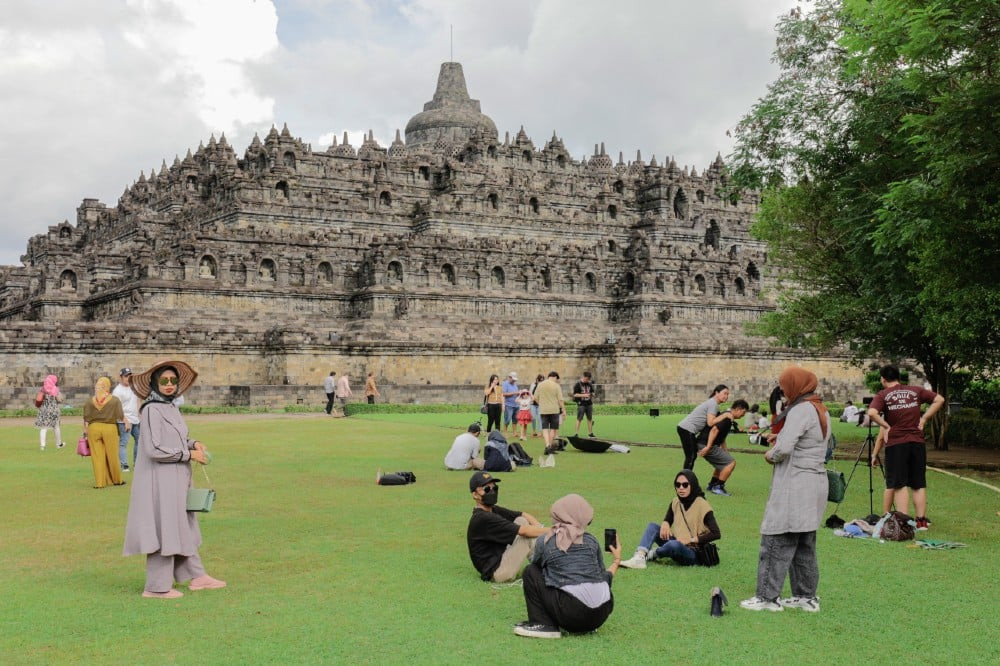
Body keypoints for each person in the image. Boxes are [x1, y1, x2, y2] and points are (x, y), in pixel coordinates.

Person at [123, 360, 226, 599]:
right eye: (164, 381)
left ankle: (198, 576)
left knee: (182, 525)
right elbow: (154, 449)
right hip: (160, 480)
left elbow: (178, 438)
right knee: (165, 527)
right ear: (154, 384)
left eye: (172, 381)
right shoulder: (150, 410)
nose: (169, 385)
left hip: (177, 478)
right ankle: (156, 587)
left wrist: (194, 443)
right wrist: (189, 454)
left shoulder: (170, 407)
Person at [740, 367, 829, 613]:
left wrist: (771, 453)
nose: (782, 390)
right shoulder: (819, 408)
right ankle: (805, 596)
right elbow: (809, 442)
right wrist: (778, 441)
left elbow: (785, 448)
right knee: (804, 543)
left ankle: (767, 597)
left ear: (795, 385)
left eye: (784, 385)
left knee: (776, 538)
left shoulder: (800, 410)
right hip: (814, 484)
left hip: (795, 484)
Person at [514, 494, 619, 639]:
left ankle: (543, 624)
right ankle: (586, 625)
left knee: (530, 572)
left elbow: (536, 566)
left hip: (571, 612)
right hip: (602, 612)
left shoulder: (546, 541)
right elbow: (602, 576)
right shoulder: (591, 541)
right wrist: (616, 560)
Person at [867, 365, 945, 530]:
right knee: (918, 483)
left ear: (883, 379)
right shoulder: (915, 390)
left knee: (899, 484)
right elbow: (940, 399)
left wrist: (886, 426)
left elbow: (872, 413)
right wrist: (924, 418)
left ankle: (904, 522)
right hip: (917, 441)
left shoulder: (883, 395)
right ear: (898, 377)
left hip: (896, 443)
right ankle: (921, 521)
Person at [619, 469, 721, 568]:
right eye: (678, 485)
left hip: (693, 552)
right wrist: (665, 523)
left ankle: (653, 554)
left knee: (673, 545)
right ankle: (639, 557)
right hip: (677, 542)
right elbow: (668, 519)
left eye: (685, 485)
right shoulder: (676, 502)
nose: (681, 488)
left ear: (693, 485)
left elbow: (716, 533)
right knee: (652, 527)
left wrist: (690, 540)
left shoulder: (702, 505)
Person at [466, 471, 546, 583]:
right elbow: (524, 532)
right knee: (527, 536)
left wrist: (539, 526)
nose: (492, 492)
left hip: (501, 560)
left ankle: (544, 564)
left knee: (521, 521)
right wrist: (554, 530)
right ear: (475, 495)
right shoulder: (482, 518)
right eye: (487, 489)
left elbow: (522, 514)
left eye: (495, 488)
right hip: (498, 573)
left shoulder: (492, 510)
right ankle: (548, 566)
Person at [700, 399, 749, 496]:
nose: (743, 415)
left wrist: (725, 452)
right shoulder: (727, 418)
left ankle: (712, 485)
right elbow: (714, 430)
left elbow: (722, 438)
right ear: (738, 409)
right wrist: (708, 447)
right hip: (705, 444)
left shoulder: (727, 415)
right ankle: (718, 487)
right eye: (743, 412)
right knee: (731, 463)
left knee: (723, 462)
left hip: (705, 443)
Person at [83, 376, 125, 488]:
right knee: (113, 456)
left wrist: (85, 432)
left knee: (97, 457)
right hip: (109, 428)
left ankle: (100, 483)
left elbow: (86, 418)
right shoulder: (114, 400)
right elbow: (120, 415)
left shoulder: (89, 401)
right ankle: (117, 480)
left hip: (93, 429)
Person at [676, 385, 730, 470]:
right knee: (691, 456)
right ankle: (685, 479)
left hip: (685, 428)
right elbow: (710, 422)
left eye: (727, 394)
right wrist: (725, 415)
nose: (726, 396)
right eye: (724, 393)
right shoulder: (713, 404)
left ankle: (686, 477)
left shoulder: (712, 403)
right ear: (716, 393)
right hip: (687, 429)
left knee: (692, 456)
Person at [113, 367, 140, 472]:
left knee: (140, 440)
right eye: (126, 376)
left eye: (130, 376)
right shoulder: (117, 391)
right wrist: (125, 421)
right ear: (121, 377)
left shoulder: (134, 387)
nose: (128, 378)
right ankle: (124, 465)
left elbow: (138, 400)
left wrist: (140, 415)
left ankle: (137, 463)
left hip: (135, 419)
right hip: (124, 420)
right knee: (124, 443)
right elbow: (117, 409)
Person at [534, 371, 566, 456]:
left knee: (545, 428)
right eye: (557, 379)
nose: (557, 381)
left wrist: (541, 404)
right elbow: (560, 399)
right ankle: (549, 447)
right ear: (555, 377)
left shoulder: (540, 384)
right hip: (554, 410)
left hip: (543, 410)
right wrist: (564, 410)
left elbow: (535, 397)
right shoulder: (556, 386)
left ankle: (548, 446)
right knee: (553, 428)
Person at [35, 374, 64, 451]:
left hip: (44, 411)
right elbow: (60, 400)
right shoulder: (55, 389)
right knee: (56, 427)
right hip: (54, 410)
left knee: (43, 428)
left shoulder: (43, 389)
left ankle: (42, 446)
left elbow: (38, 399)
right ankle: (58, 444)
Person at [571, 372, 596, 437]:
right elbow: (575, 394)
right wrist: (584, 395)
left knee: (590, 418)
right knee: (579, 419)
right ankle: (576, 433)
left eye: (588, 379)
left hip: (589, 404)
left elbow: (592, 392)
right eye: (587, 379)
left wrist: (593, 394)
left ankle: (590, 433)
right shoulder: (578, 384)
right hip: (581, 404)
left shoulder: (589, 384)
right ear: (584, 377)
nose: (587, 380)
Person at [528, 374, 544, 438]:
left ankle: (540, 432)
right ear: (537, 380)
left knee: (540, 418)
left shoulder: (543, 386)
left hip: (540, 404)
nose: (541, 382)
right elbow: (530, 393)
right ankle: (534, 431)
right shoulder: (533, 385)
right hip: (533, 404)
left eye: (542, 381)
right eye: (540, 380)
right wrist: (533, 398)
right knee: (533, 417)